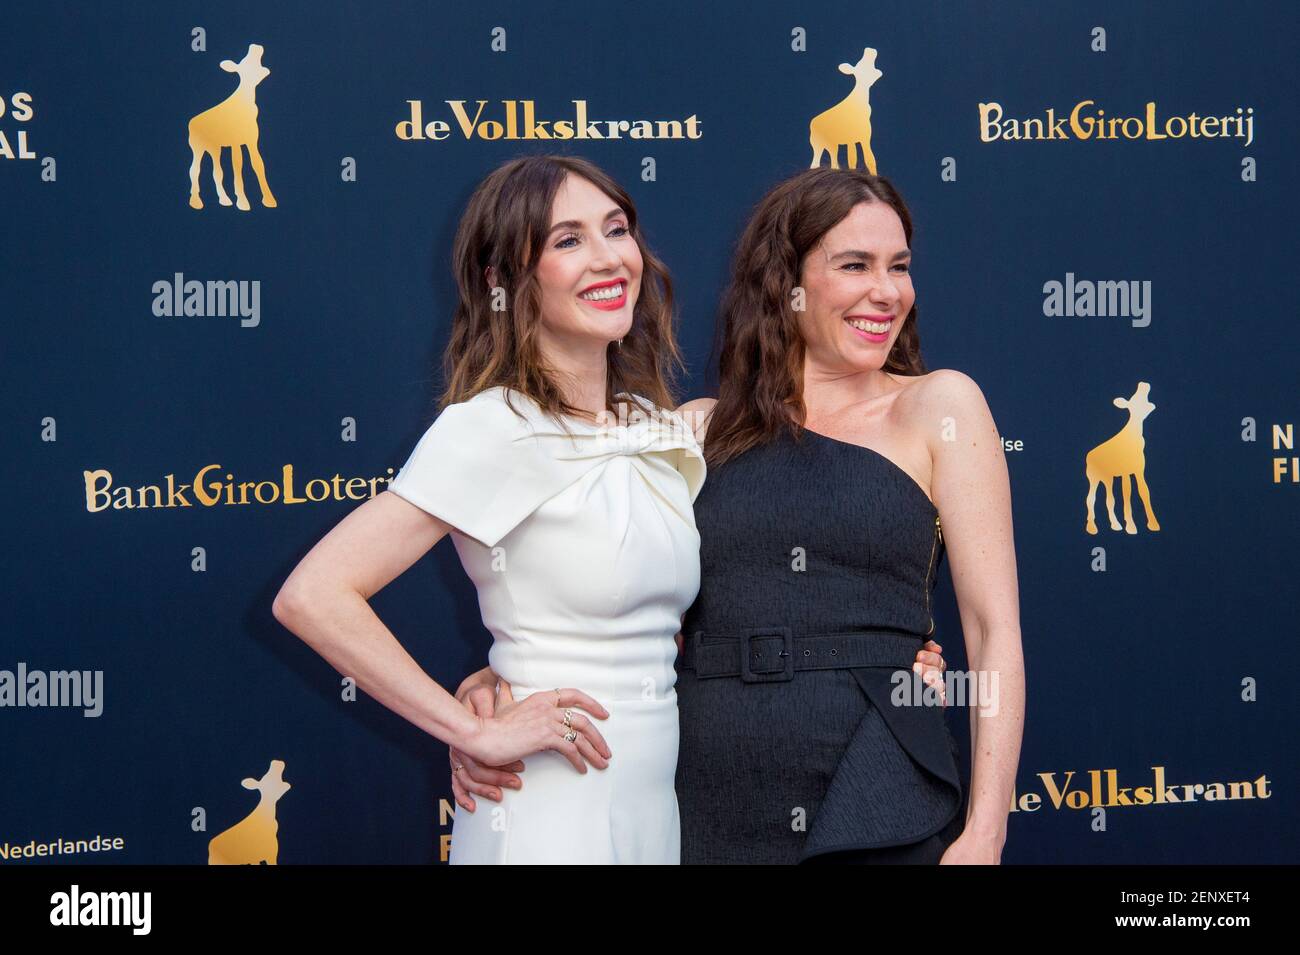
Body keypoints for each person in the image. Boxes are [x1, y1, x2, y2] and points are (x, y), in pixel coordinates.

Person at [451, 165, 976, 864]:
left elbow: (994, 632)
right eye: (854, 264)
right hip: (711, 782)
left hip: (875, 768)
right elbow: (624, 595)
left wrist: (987, 833)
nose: (886, 290)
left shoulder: (940, 406)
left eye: (899, 266)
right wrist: (496, 684)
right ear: (785, 282)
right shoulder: (692, 430)